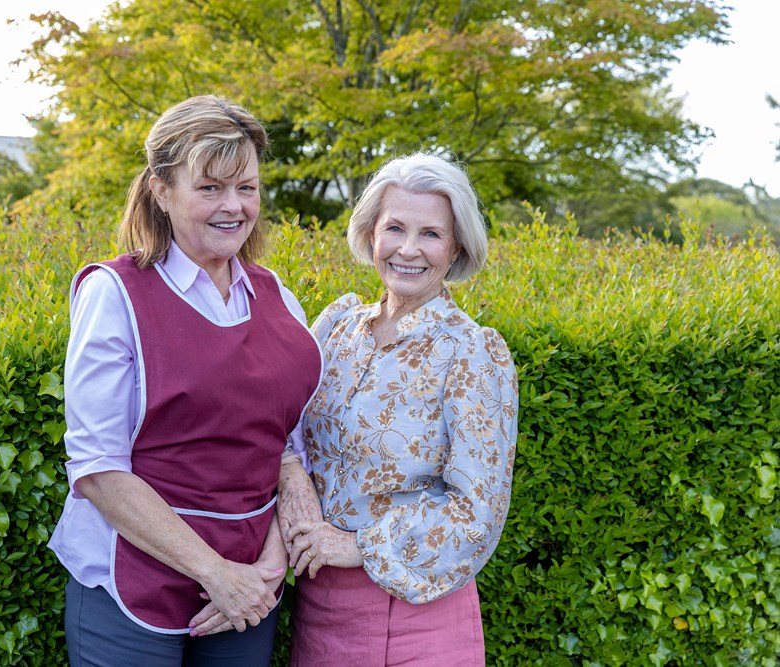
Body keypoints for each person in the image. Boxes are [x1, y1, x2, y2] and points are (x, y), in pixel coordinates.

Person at [47, 95, 323, 667]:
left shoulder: (279, 299)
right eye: (210, 188)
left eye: (246, 187)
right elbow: (98, 469)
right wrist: (213, 572)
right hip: (132, 584)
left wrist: (267, 570)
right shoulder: (115, 294)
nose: (234, 206)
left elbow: (288, 451)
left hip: (248, 589)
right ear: (161, 191)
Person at [280, 152, 519, 666]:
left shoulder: (472, 351)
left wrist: (357, 547)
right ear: (371, 234)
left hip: (418, 616)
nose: (409, 250)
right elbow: (280, 425)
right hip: (318, 611)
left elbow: (477, 512)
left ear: (456, 248)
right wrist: (292, 475)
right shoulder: (337, 327)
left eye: (431, 234)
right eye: (395, 228)